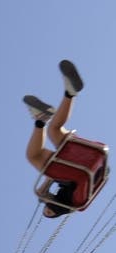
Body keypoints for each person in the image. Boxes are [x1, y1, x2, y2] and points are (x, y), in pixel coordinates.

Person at [23, 60, 86, 217]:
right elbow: (43, 195)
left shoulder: (75, 194)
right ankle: (41, 120)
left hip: (86, 158)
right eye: (49, 212)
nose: (47, 208)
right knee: (33, 156)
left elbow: (45, 192)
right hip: (75, 172)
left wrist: (49, 182)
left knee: (54, 130)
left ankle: (70, 92)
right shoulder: (70, 203)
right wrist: (47, 186)